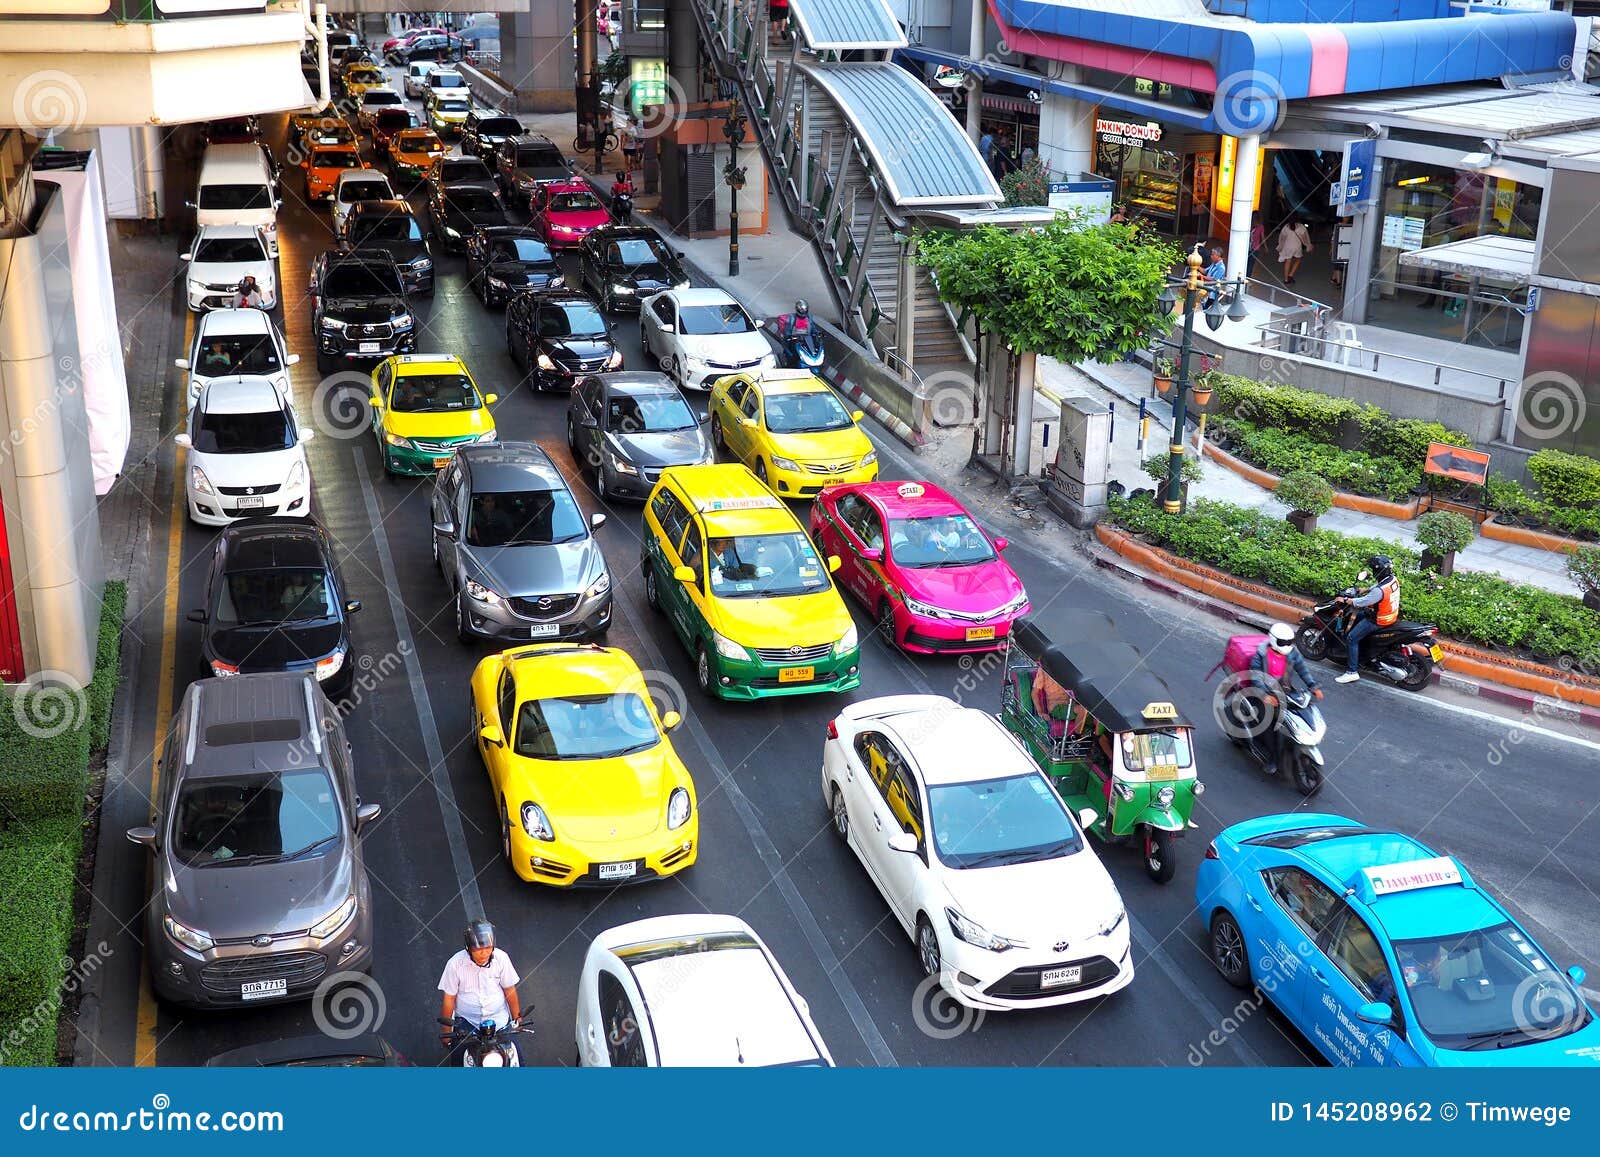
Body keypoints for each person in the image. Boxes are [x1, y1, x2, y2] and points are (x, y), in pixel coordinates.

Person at [1242, 622, 1323, 776]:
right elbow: (1256, 677)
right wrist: (1266, 695)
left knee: (1303, 711)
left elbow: (1302, 670)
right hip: (1265, 694)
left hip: (1285, 691)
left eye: (1289, 642)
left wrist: (1313, 686)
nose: (1287, 645)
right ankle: (1273, 759)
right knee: (1274, 726)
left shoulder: (1292, 654)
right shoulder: (1261, 654)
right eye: (1283, 642)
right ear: (1273, 640)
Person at [438, 920, 523, 1063]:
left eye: (488, 948)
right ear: (468, 948)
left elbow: (509, 989)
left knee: (518, 1061)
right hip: (467, 1023)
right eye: (478, 950)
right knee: (458, 1061)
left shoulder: (501, 958)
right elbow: (449, 999)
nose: (484, 954)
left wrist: (517, 1018)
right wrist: (446, 1032)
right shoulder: (454, 964)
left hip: (500, 1022)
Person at [1335, 554, 1400, 684]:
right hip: (1390, 616)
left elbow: (1362, 602)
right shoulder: (1392, 580)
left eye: (1374, 569)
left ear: (1378, 571)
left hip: (1378, 620)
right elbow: (1378, 589)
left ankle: (1352, 672)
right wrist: (1364, 589)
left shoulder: (1379, 591)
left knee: (1352, 638)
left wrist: (1346, 600)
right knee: (1358, 616)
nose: (1373, 572)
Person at [1247, 214, 1265, 278]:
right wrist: (1265, 247)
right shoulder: (1261, 227)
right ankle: (1248, 277)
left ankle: (1244, 275)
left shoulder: (1248, 225)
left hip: (1247, 247)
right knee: (1251, 264)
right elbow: (1262, 238)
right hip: (1255, 248)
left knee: (1246, 262)